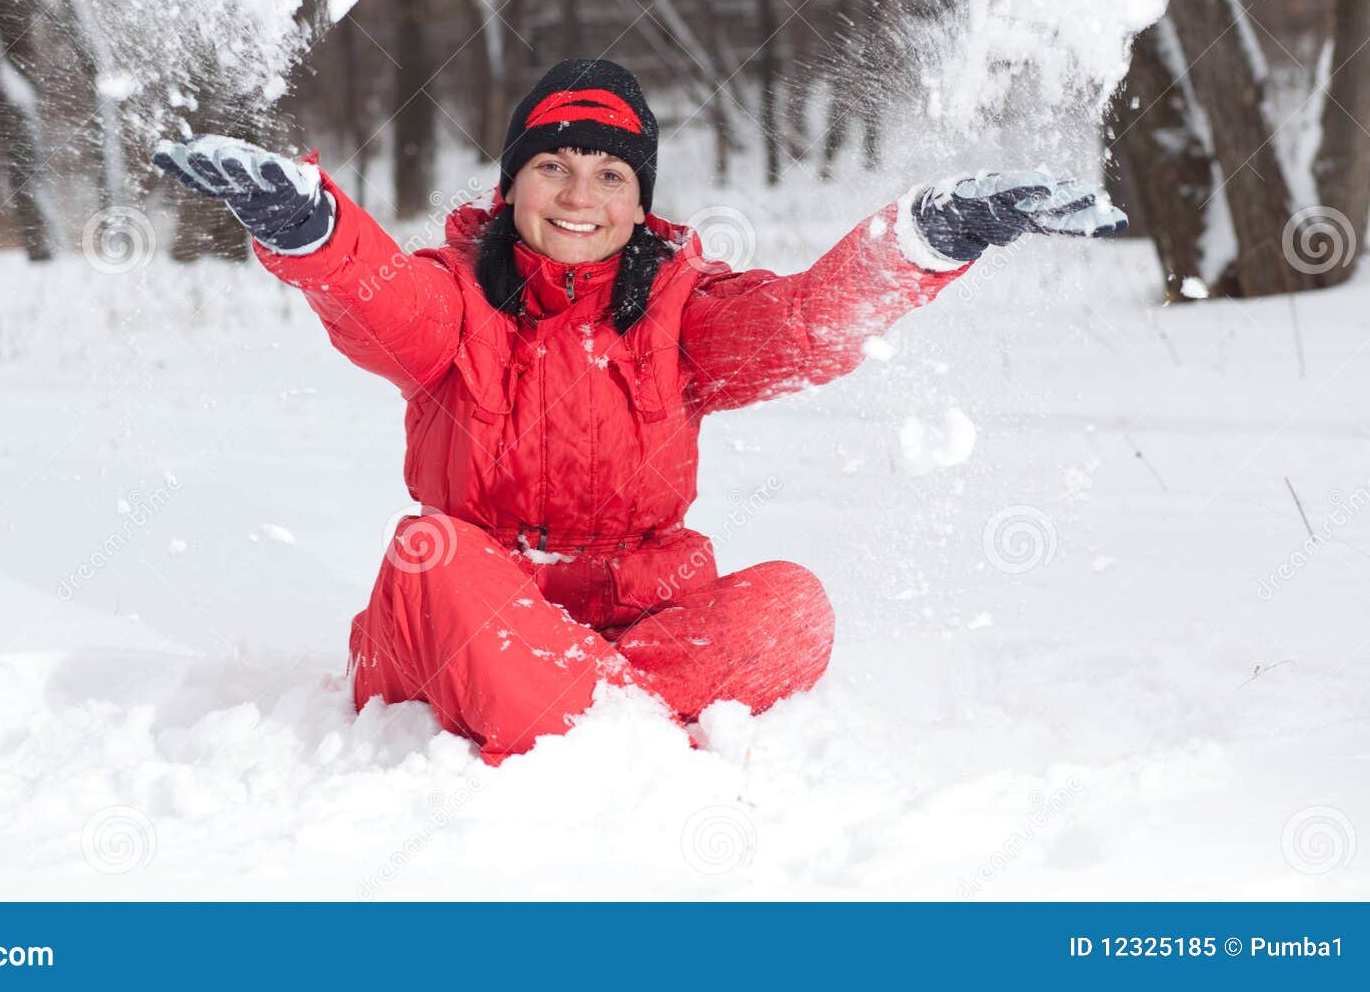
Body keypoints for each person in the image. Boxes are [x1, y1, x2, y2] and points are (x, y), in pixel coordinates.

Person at [154, 57, 1124, 764]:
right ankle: (607, 729)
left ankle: (563, 711)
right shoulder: (453, 295)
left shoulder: (680, 311)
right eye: (553, 166)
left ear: (638, 198)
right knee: (435, 555)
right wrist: (317, 231)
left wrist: (928, 234)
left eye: (610, 173)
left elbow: (803, 324)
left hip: (633, 614)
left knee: (792, 605)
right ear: (511, 184)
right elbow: (378, 302)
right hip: (469, 606)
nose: (579, 194)